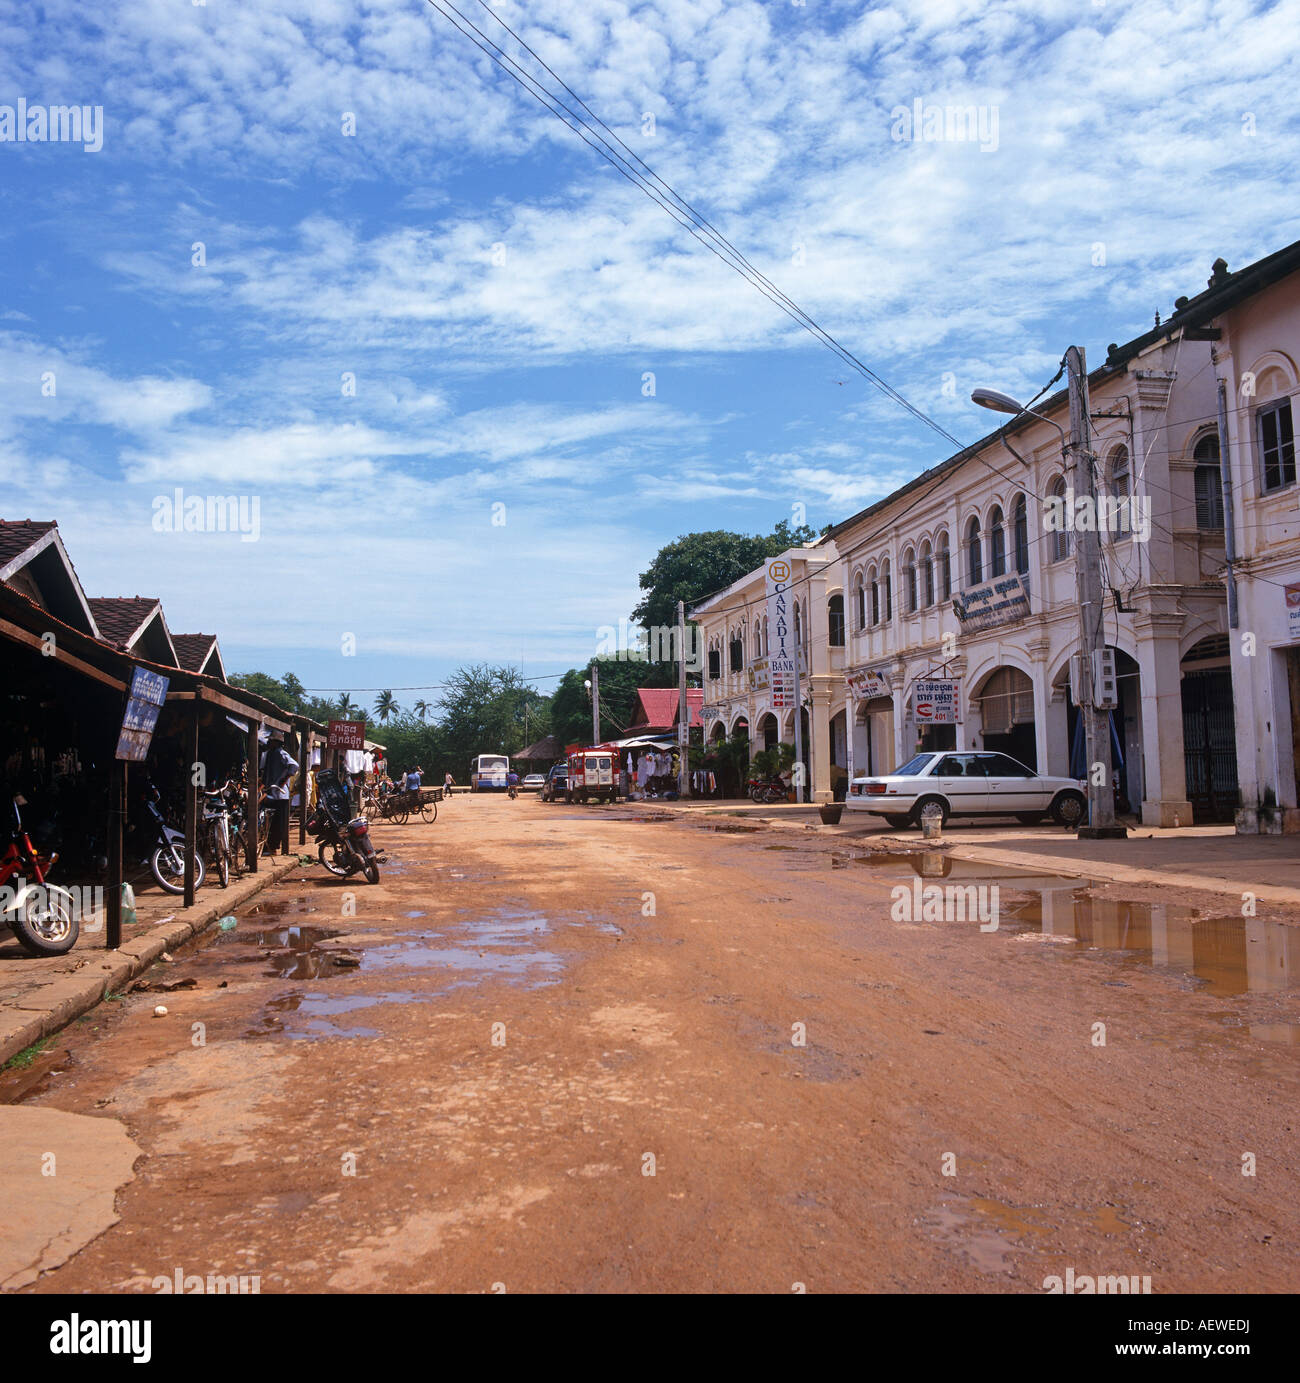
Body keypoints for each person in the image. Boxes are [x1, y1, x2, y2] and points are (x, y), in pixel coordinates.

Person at [260, 733, 299, 857]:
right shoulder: (270, 754)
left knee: (278, 823)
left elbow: (294, 765)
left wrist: (284, 779)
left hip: (280, 794)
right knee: (270, 822)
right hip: (271, 792)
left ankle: (273, 847)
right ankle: (268, 845)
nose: (269, 743)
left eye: (271, 741)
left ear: (276, 742)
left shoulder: (280, 753)